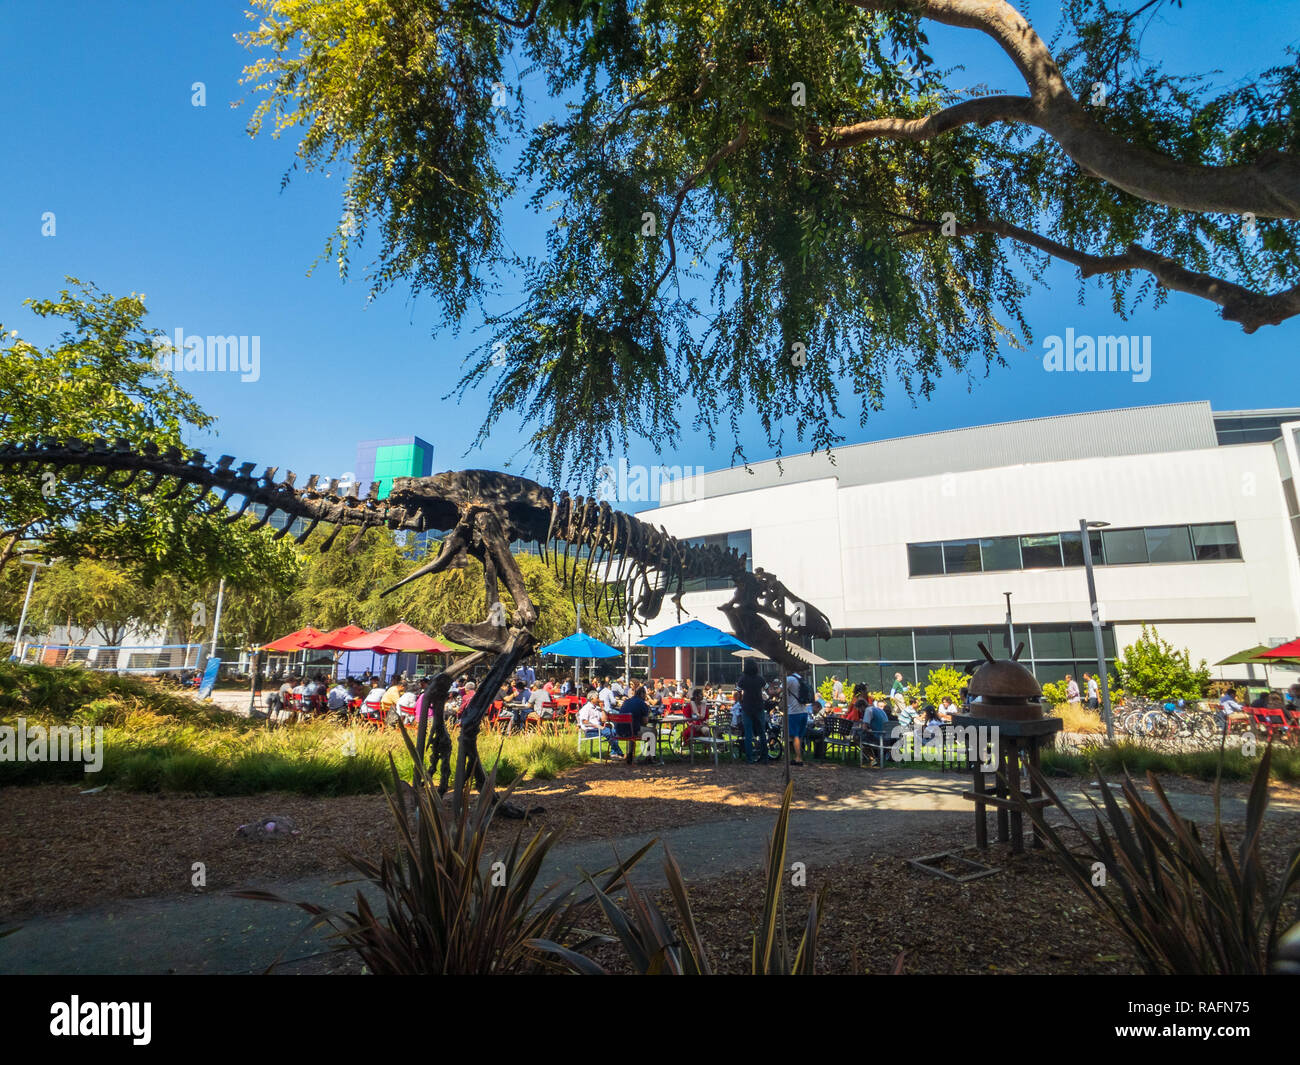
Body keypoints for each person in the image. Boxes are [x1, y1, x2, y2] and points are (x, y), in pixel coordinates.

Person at [736, 659, 770, 763]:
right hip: (759, 707)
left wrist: (741, 700)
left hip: (747, 707)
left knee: (748, 734)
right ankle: (765, 757)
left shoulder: (743, 679)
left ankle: (749, 758)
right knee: (762, 733)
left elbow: (737, 692)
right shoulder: (760, 679)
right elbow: (768, 689)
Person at [578, 692, 622, 758]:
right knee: (610, 732)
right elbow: (584, 722)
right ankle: (618, 753)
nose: (599, 699)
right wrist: (597, 726)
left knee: (614, 731)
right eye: (597, 698)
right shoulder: (586, 708)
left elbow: (604, 720)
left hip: (598, 729)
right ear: (592, 698)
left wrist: (602, 708)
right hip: (590, 730)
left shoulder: (597, 708)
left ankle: (614, 752)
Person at [622, 685, 653, 764]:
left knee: (632, 729)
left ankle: (630, 754)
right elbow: (645, 722)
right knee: (653, 732)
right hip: (632, 731)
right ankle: (649, 757)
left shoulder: (626, 701)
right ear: (642, 694)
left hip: (620, 731)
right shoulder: (642, 703)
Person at [785, 671, 811, 766]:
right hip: (804, 711)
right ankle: (798, 757)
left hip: (794, 712)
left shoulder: (789, 679)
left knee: (794, 735)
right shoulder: (801, 679)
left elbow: (779, 691)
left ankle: (799, 758)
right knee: (799, 735)